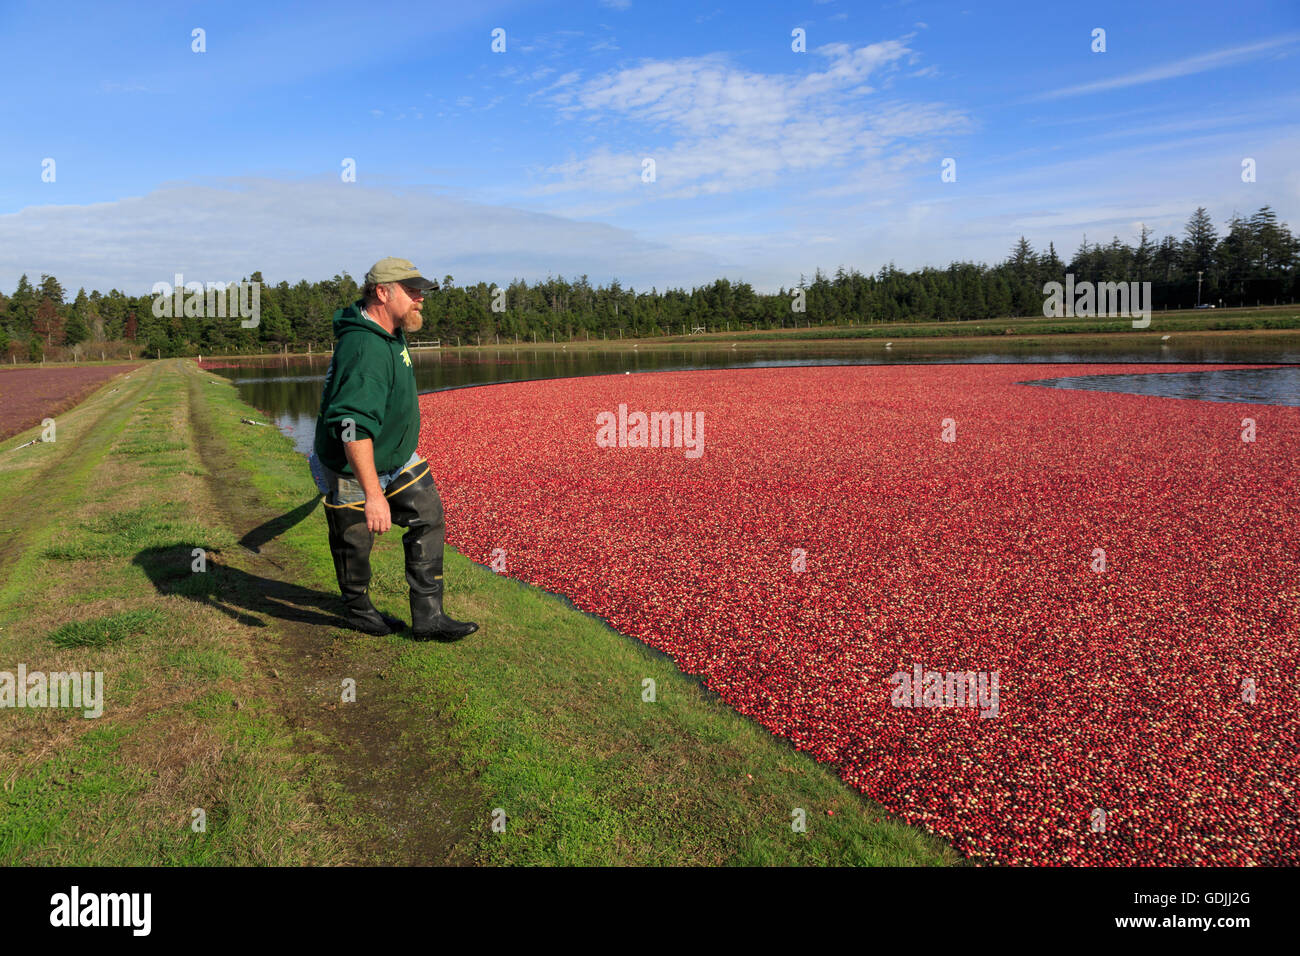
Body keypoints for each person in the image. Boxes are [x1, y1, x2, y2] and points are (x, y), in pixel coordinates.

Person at [309, 257, 478, 642]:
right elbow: (351, 426)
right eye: (412, 290)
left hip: (397, 458)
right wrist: (373, 495)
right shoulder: (365, 347)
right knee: (355, 540)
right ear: (382, 293)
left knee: (428, 516)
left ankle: (429, 617)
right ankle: (358, 610)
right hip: (351, 465)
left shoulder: (389, 330)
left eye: (421, 290)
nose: (421, 298)